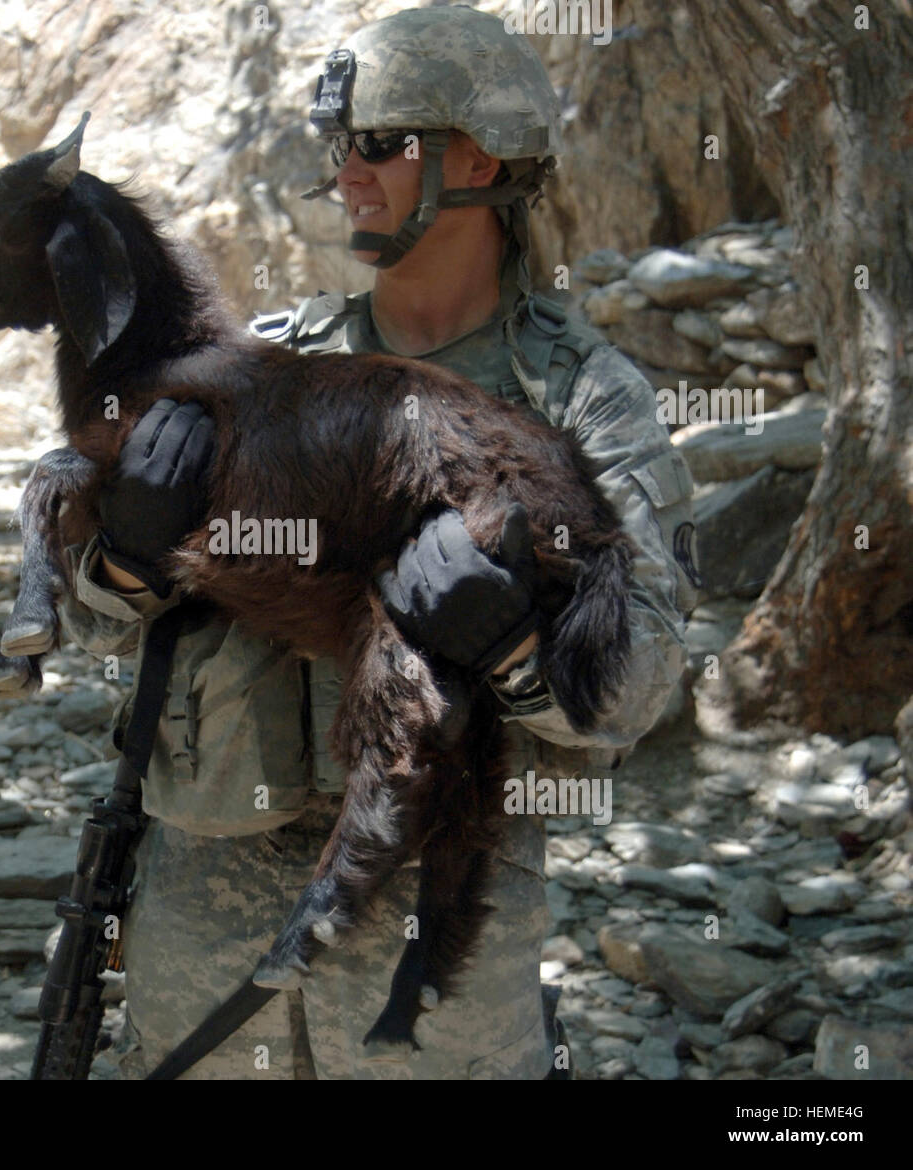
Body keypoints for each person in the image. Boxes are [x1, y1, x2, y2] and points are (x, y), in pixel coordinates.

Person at [52, 6, 700, 1079]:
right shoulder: (266, 365)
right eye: (335, 147)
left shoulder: (585, 402)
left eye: (375, 145)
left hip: (426, 957)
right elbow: (95, 624)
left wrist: (510, 651)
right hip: (203, 912)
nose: (344, 173)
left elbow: (644, 687)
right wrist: (124, 553)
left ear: (478, 159)